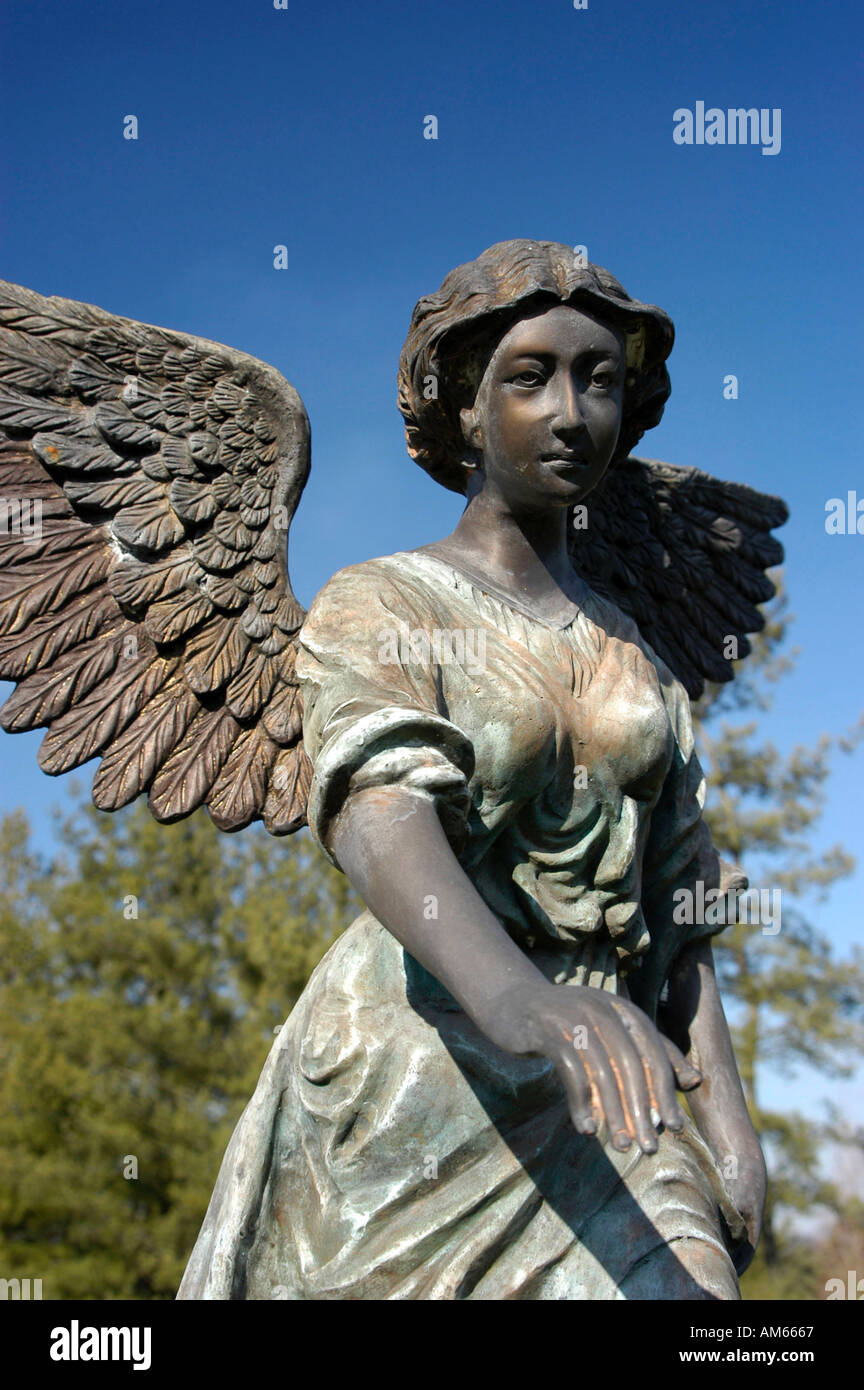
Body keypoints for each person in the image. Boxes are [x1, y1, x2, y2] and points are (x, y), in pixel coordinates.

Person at [178, 240, 766, 1301]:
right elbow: (380, 815)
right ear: (463, 407)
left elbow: (680, 892)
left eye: (599, 379)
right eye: (530, 376)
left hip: (614, 1069)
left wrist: (722, 1098)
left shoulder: (632, 643)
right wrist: (518, 1001)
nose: (572, 412)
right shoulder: (386, 602)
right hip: (425, 1056)